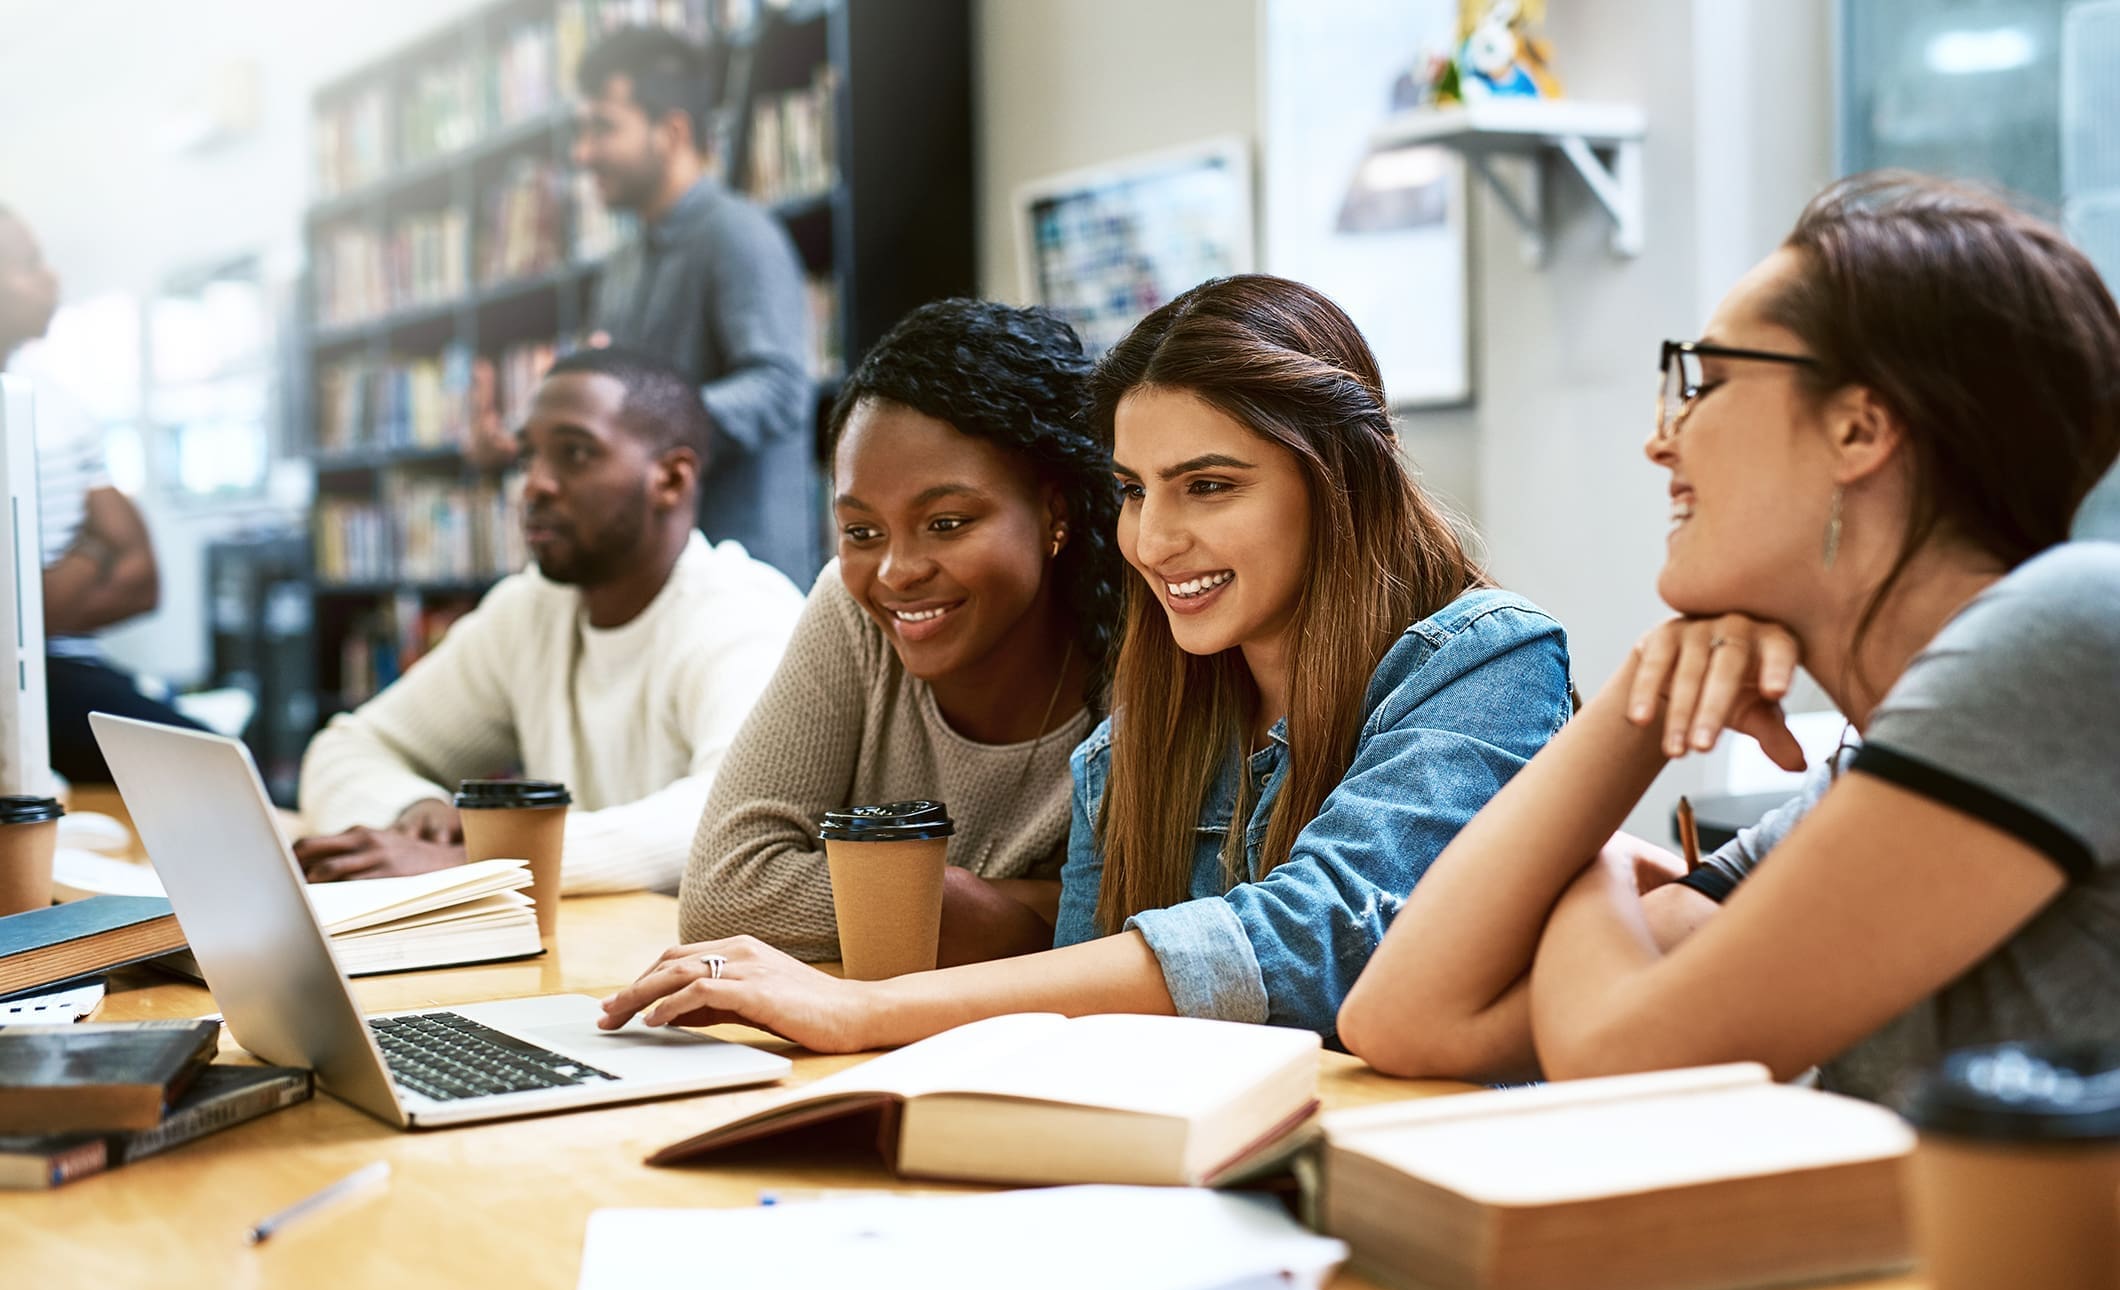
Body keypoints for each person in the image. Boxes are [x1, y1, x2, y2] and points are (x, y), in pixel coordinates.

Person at [600, 274, 1573, 1049]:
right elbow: (1077, 1010)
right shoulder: (1152, 714)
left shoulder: (1485, 661)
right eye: (1136, 491)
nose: (1154, 539)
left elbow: (1312, 941)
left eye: (1206, 486)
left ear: (1337, 479)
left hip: (1435, 1179)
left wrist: (858, 1010)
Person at [1337, 174, 2120, 1101]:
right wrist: (1639, 703)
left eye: (1706, 383)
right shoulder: (1859, 784)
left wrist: (1590, 861)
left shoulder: (2073, 627)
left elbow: (1621, 1055)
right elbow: (1405, 1016)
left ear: (1859, 428)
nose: (1662, 442)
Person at [679, 299, 1124, 965]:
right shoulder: (852, 609)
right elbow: (723, 893)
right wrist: (1010, 908)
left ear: (1053, 510)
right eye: (862, 531)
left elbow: (1156, 923)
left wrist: (896, 897)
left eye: (946, 522)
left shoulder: (1144, 640)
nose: (895, 570)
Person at [295, 347, 803, 894]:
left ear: (672, 479)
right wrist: (415, 808)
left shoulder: (744, 612)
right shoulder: (529, 610)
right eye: (528, 458)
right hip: (592, 952)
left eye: (575, 454)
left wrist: (485, 862)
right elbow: (346, 748)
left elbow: (730, 814)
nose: (534, 485)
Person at [468, 27, 814, 582]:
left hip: (739, 580)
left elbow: (780, 388)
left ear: (671, 131)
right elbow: (612, 407)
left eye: (602, 127)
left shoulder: (740, 235)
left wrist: (645, 424)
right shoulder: (622, 263)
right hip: (652, 577)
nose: (582, 154)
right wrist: (530, 437)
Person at [0, 204, 204, 784]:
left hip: (57, 671)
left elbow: (143, 579)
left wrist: (34, 609)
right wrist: (92, 552)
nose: (51, 278)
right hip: (27, 676)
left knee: (214, 764)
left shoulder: (62, 409)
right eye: (29, 264)